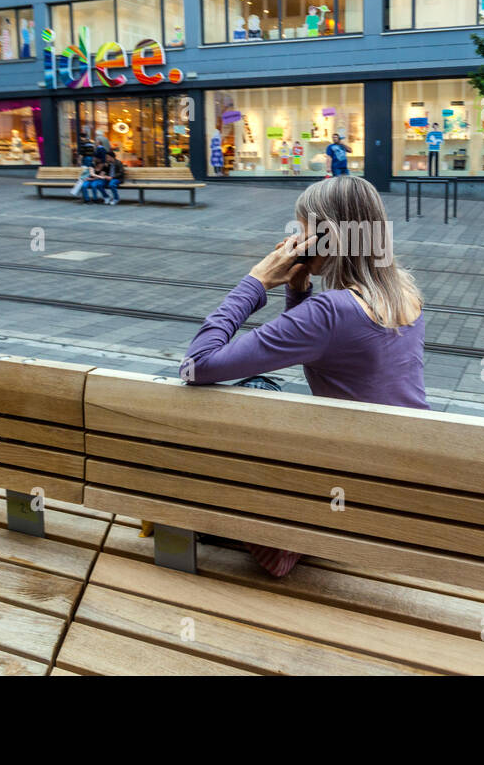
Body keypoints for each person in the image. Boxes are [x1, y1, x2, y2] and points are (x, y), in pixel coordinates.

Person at [182, 176, 426, 578]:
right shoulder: (403, 294)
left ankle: (280, 542)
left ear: (327, 237)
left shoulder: (331, 312)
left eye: (301, 230)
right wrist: (299, 289)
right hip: (401, 472)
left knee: (235, 413)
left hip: (347, 484)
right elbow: (326, 348)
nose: (295, 239)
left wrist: (255, 282)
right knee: (262, 391)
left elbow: (197, 365)